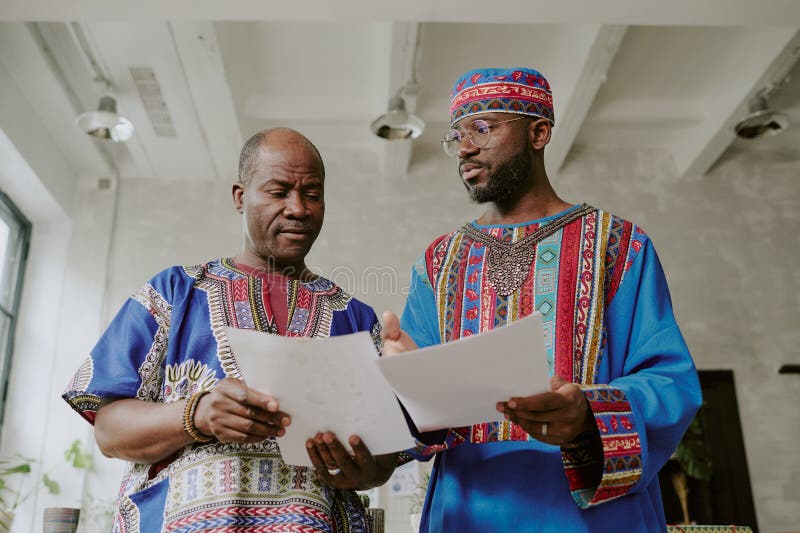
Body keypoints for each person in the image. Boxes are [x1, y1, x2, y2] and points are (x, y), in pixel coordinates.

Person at [381, 67, 702, 532]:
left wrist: (587, 414)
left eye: (483, 128)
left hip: (593, 517)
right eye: (457, 135)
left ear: (539, 132)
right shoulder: (440, 261)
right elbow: (414, 421)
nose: (465, 147)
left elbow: (670, 382)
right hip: (470, 510)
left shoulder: (618, 244)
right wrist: (406, 382)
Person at [63, 128, 396, 532]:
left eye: (312, 193)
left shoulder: (356, 319)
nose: (298, 208)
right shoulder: (174, 292)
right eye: (278, 191)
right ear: (241, 197)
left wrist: (357, 470)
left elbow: (382, 461)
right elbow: (110, 431)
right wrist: (194, 415)